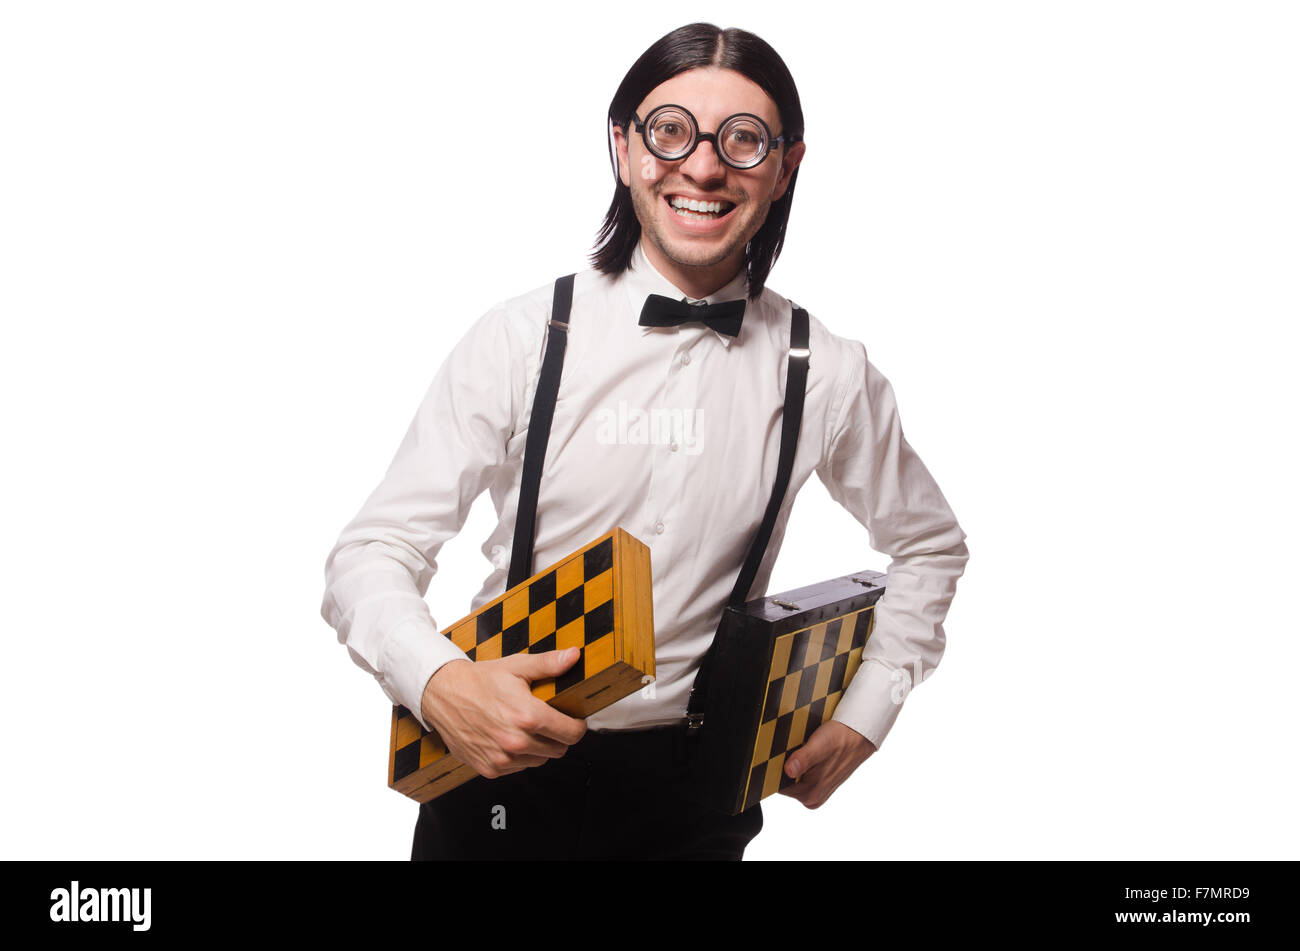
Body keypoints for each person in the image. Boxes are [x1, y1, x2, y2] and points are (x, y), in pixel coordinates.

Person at [320, 22, 969, 860]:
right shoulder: (524, 338)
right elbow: (370, 552)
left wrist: (865, 714)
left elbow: (930, 545)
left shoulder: (829, 372)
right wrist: (441, 684)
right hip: (500, 773)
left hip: (695, 796)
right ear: (625, 148)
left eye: (743, 140)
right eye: (671, 130)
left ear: (785, 167)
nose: (703, 166)